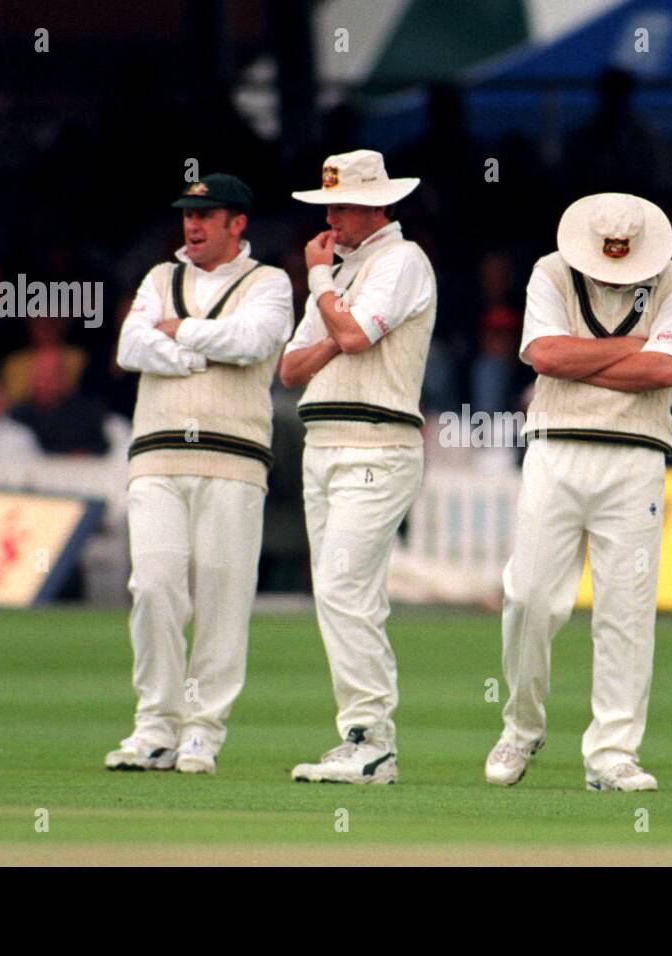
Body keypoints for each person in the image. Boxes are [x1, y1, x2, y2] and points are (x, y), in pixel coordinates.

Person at [485, 192, 672, 791]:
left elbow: (663, 371)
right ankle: (521, 729)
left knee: (625, 610)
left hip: (637, 457)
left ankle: (612, 753)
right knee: (528, 597)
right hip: (556, 448)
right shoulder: (551, 272)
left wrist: (588, 360)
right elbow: (545, 356)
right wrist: (634, 347)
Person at [106, 173, 293, 775]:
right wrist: (196, 351)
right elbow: (130, 348)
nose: (191, 224)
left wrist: (175, 333)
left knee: (222, 595)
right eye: (187, 213)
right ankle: (154, 726)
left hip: (233, 458)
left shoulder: (269, 282)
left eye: (205, 216)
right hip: (156, 452)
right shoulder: (161, 277)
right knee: (155, 586)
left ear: (237, 224)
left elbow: (252, 339)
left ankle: (202, 731)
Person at [278, 149, 435, 785]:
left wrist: (321, 290)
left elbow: (355, 339)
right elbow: (289, 370)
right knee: (347, 594)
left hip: (377, 442)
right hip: (323, 442)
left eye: (341, 206)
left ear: (379, 205)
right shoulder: (338, 272)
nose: (332, 219)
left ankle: (368, 740)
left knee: (343, 588)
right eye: (328, 206)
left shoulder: (402, 260)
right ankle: (369, 743)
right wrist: (330, 312)